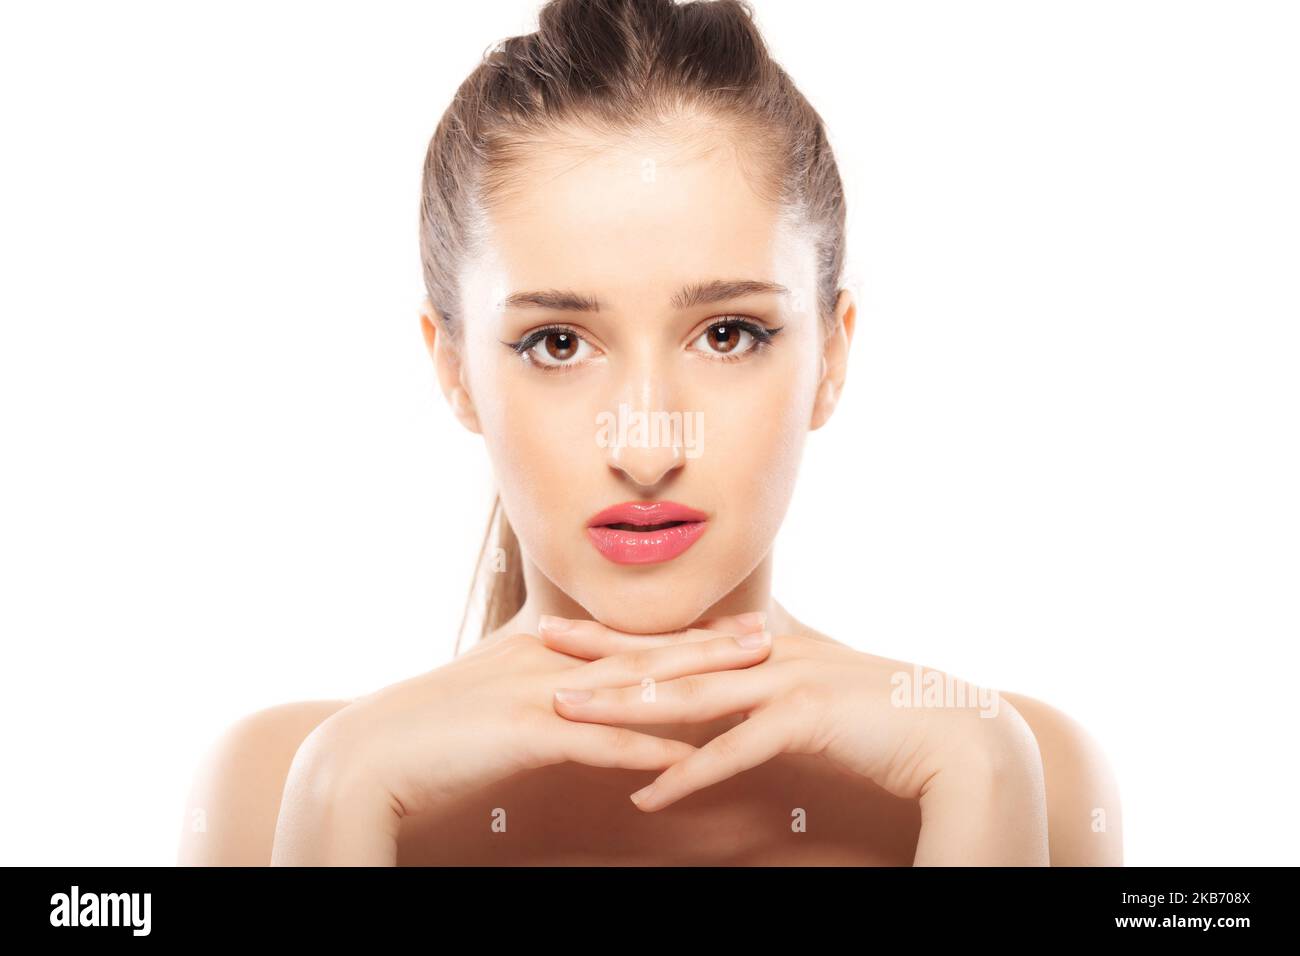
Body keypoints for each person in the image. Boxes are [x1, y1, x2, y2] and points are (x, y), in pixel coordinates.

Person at [179, 0, 1122, 866]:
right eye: (557, 342)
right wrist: (341, 803)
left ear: (831, 356)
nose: (644, 445)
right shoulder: (289, 781)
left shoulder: (1015, 766)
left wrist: (982, 781)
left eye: (727, 334)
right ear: (455, 368)